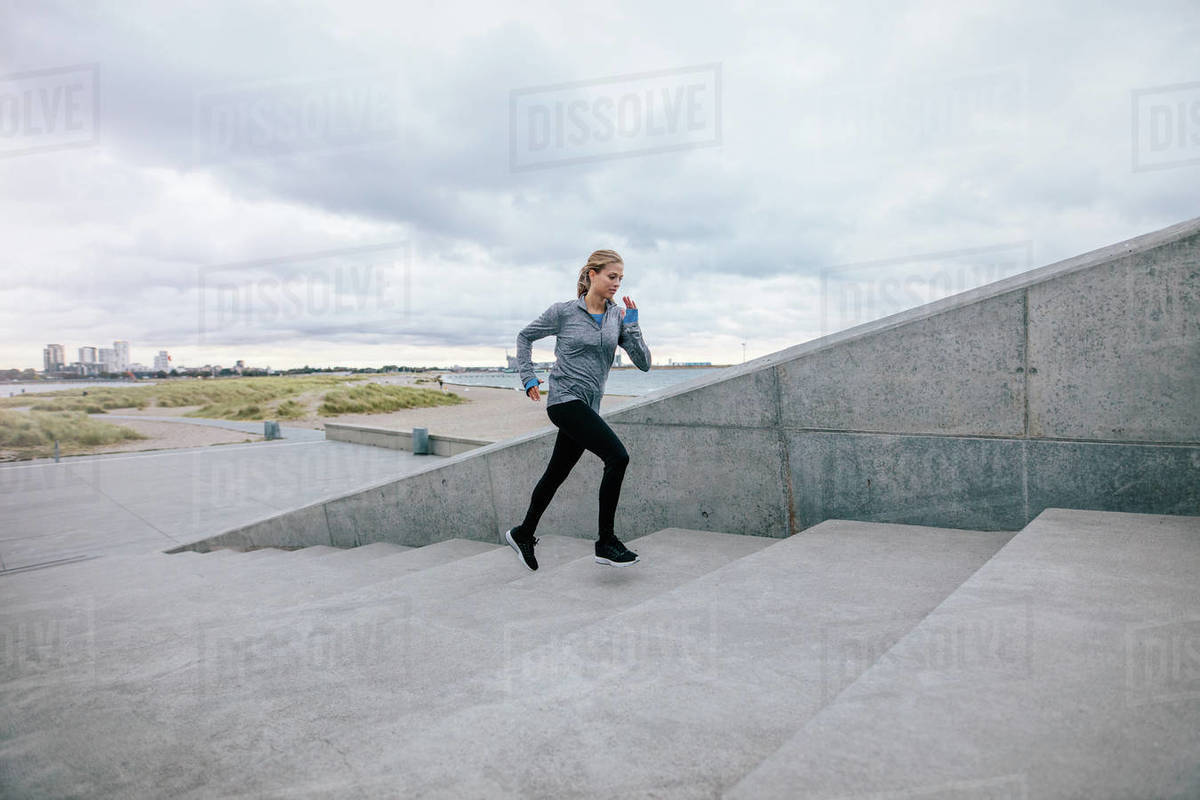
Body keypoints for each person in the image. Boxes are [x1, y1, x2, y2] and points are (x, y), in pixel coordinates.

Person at [504, 249, 651, 571]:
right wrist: (528, 376)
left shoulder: (616, 317)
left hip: (589, 406)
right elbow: (525, 336)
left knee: (556, 473)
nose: (617, 283)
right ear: (591, 275)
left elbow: (643, 365)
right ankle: (605, 542)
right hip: (564, 400)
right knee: (617, 457)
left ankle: (523, 532)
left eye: (621, 278)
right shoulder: (564, 312)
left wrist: (634, 326)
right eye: (612, 276)